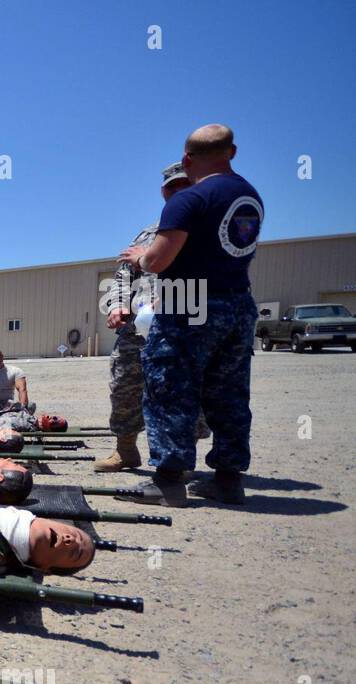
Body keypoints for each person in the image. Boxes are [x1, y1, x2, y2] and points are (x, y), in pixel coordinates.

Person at [125, 124, 263, 506]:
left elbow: (158, 260)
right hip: (237, 300)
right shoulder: (249, 196)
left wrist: (140, 257)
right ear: (231, 152)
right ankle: (228, 478)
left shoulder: (189, 200)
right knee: (229, 391)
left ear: (187, 160)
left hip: (188, 298)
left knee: (171, 388)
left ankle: (169, 480)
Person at [99, 162, 213, 472]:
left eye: (184, 187)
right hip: (136, 330)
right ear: (164, 192)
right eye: (172, 188)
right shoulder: (151, 232)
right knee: (124, 385)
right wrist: (117, 305)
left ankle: (180, 462)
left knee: (182, 391)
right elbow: (123, 274)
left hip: (184, 326)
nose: (178, 193)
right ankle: (125, 450)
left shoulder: (210, 229)